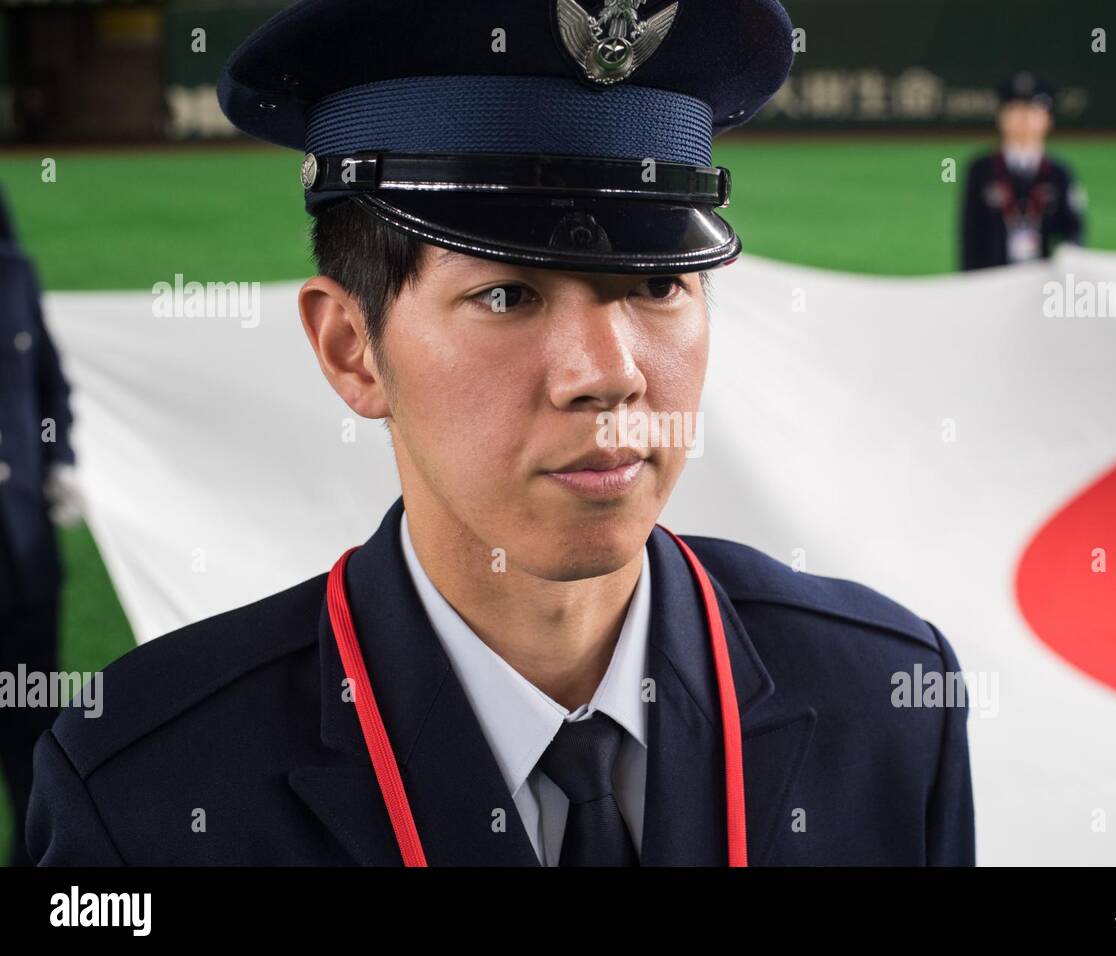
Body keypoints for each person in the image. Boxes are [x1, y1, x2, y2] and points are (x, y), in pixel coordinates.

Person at [26, 0, 975, 866]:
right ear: (352, 349)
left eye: (658, 285)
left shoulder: (890, 705)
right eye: (506, 294)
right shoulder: (143, 797)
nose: (608, 373)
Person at [0, 187, 82, 866]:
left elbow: (50, 381)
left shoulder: (13, 271)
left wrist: (58, 460)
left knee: (31, 728)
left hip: (22, 548)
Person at [960, 71, 1086, 270]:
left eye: (1033, 110)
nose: (1024, 118)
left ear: (1048, 120)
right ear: (1001, 117)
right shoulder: (981, 171)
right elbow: (969, 236)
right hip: (992, 281)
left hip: (1041, 284)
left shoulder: (1058, 173)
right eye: (1016, 109)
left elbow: (1075, 232)